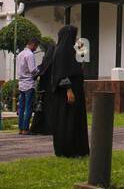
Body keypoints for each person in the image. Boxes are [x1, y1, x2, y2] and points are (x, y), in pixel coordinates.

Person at [36, 24, 89, 157]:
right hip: (66, 90)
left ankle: (78, 149)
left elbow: (82, 63)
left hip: (77, 88)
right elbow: (61, 73)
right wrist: (68, 90)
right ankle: (67, 149)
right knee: (66, 120)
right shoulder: (60, 51)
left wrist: (81, 46)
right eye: (74, 35)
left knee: (76, 119)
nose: (76, 38)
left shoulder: (73, 49)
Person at [15, 36, 40, 135]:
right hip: (29, 83)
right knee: (28, 107)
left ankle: (20, 128)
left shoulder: (20, 54)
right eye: (36, 46)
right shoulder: (30, 55)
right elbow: (33, 70)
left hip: (21, 83)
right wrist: (40, 71)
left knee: (21, 107)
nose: (36, 49)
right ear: (33, 44)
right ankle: (25, 128)